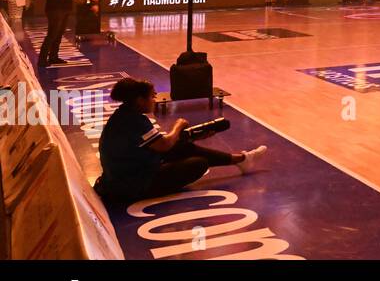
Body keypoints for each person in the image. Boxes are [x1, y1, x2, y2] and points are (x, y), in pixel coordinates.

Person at [95, 78, 266, 203]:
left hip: (125, 174)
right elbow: (164, 144)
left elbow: (157, 144)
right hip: (132, 186)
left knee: (184, 146)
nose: (154, 100)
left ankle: (241, 159)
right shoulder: (135, 121)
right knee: (198, 164)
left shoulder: (124, 114)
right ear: (140, 100)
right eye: (152, 97)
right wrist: (178, 125)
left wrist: (190, 135)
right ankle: (242, 160)